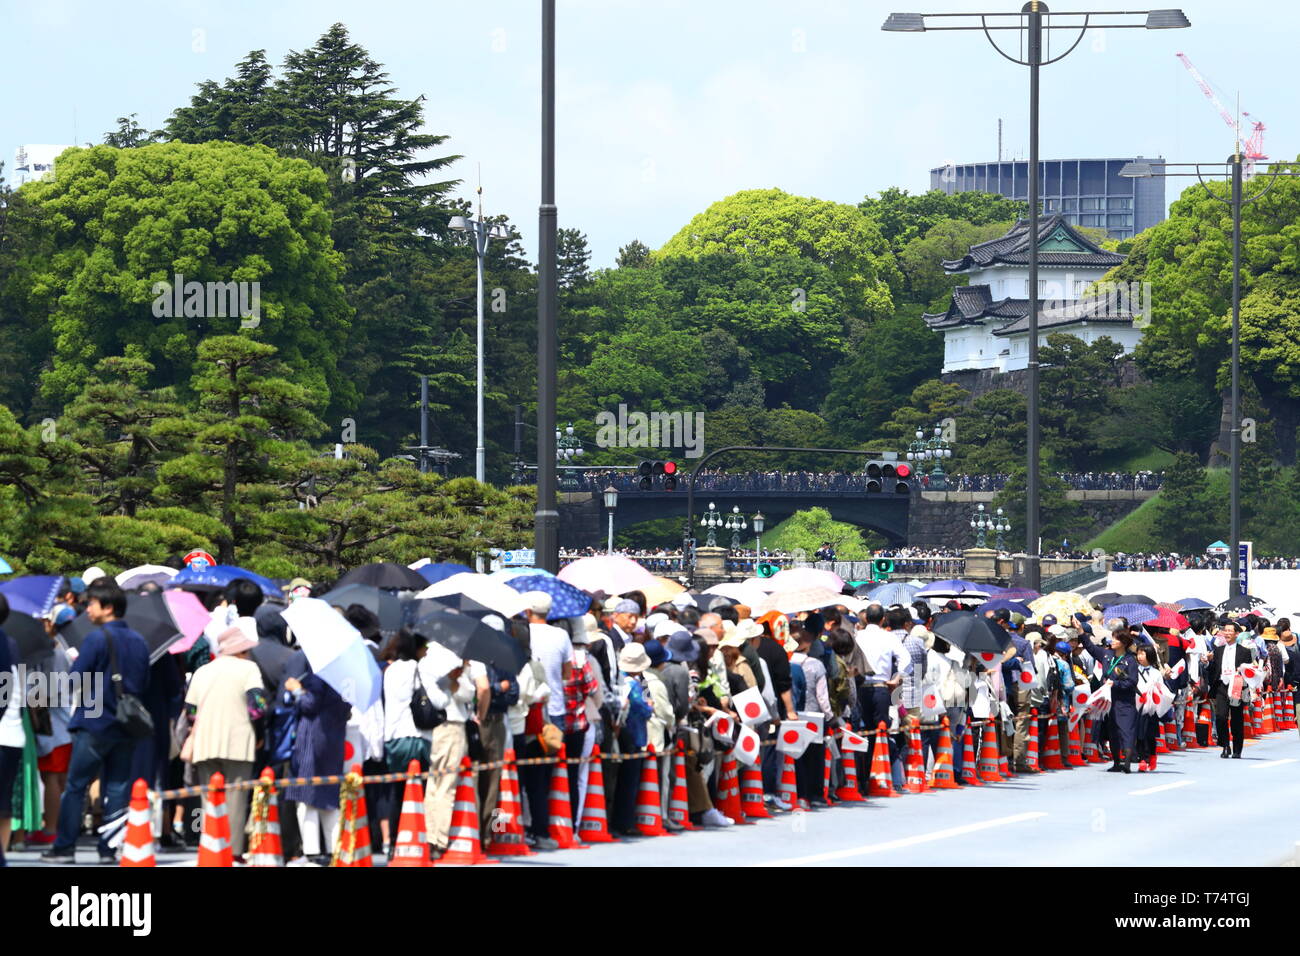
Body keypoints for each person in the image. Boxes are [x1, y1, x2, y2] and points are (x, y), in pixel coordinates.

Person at [42, 579, 151, 864]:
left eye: (92, 603)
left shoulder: (96, 638)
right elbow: (143, 683)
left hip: (95, 722)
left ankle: (65, 846)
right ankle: (108, 849)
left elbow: (75, 678)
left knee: (76, 786)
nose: (87, 608)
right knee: (117, 787)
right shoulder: (140, 642)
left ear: (108, 607)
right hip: (126, 725)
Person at [183, 626, 268, 860]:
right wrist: (259, 734)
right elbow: (257, 707)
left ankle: (208, 846)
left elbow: (190, 710)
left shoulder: (203, 671)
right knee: (235, 800)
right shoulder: (248, 669)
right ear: (240, 651)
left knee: (208, 797)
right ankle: (234, 851)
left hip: (205, 742)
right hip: (238, 741)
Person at [283, 667, 352, 866]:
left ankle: (311, 852)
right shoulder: (347, 678)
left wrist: (296, 689)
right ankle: (334, 850)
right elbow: (346, 710)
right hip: (334, 741)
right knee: (329, 797)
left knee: (306, 798)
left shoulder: (319, 676)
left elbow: (309, 704)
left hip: (312, 740)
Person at [1204, 621, 1252, 759]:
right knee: (1220, 717)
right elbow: (1214, 669)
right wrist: (1207, 662)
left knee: (1237, 718)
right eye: (1225, 630)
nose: (1227, 633)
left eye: (1231, 630)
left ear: (1237, 634)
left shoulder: (1245, 651)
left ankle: (1237, 749)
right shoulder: (1218, 650)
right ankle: (1225, 745)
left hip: (1236, 686)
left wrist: (1241, 670)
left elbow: (1249, 670)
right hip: (1221, 686)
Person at [1133, 643, 1168, 772]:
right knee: (1139, 733)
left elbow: (1161, 689)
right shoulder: (1134, 670)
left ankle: (1152, 756)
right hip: (1138, 705)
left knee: (1149, 734)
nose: (1140, 656)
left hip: (1151, 707)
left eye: (1143, 653)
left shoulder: (1156, 673)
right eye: (1138, 653)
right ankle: (1142, 759)